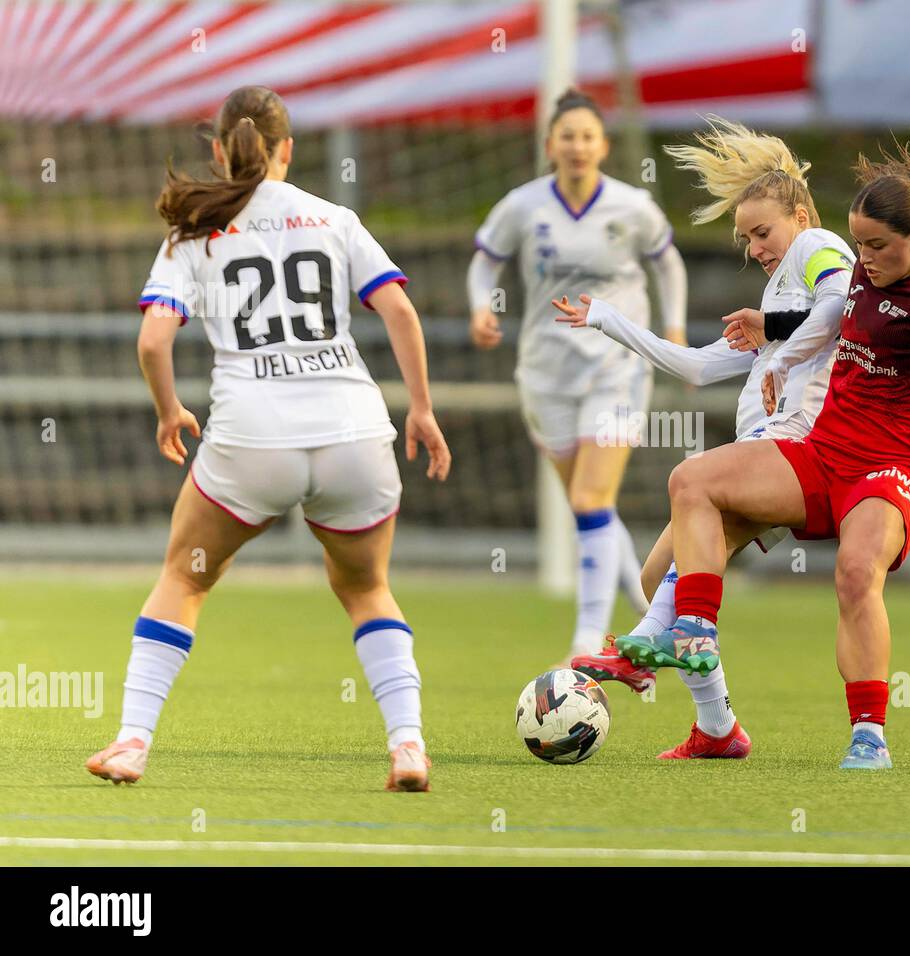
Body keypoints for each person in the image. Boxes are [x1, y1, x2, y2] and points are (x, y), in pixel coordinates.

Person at [620, 138, 910, 770]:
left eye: (876, 247)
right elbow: (832, 310)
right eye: (859, 245)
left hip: (893, 469)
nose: (863, 261)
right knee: (690, 482)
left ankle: (869, 736)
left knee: (855, 573)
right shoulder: (863, 274)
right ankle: (695, 636)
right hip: (821, 453)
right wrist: (777, 340)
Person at [85, 86, 451, 793]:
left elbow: (154, 340)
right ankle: (408, 747)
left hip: (252, 442)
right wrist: (424, 410)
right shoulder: (335, 217)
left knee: (185, 578)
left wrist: (168, 411)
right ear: (288, 149)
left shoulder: (194, 231)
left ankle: (132, 743)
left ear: (220, 151)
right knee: (368, 587)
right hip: (353, 434)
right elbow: (400, 310)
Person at [554, 117, 852, 759]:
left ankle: (647, 650)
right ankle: (717, 727)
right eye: (747, 239)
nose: (756, 247)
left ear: (799, 215)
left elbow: (843, 304)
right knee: (658, 572)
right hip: (765, 456)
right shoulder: (778, 294)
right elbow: (694, 366)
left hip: (795, 449)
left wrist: (780, 355)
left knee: (687, 492)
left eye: (762, 232)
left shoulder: (818, 244)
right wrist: (606, 318)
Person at [467, 88, 688, 662]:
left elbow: (667, 261)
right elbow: (484, 258)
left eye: (588, 136)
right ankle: (650, 619)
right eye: (567, 136)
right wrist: (481, 306)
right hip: (545, 372)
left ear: (603, 145)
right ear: (550, 145)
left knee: (592, 495)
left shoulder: (632, 206)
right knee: (591, 507)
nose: (578, 146)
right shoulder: (523, 205)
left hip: (617, 368)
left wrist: (676, 326)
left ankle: (586, 642)